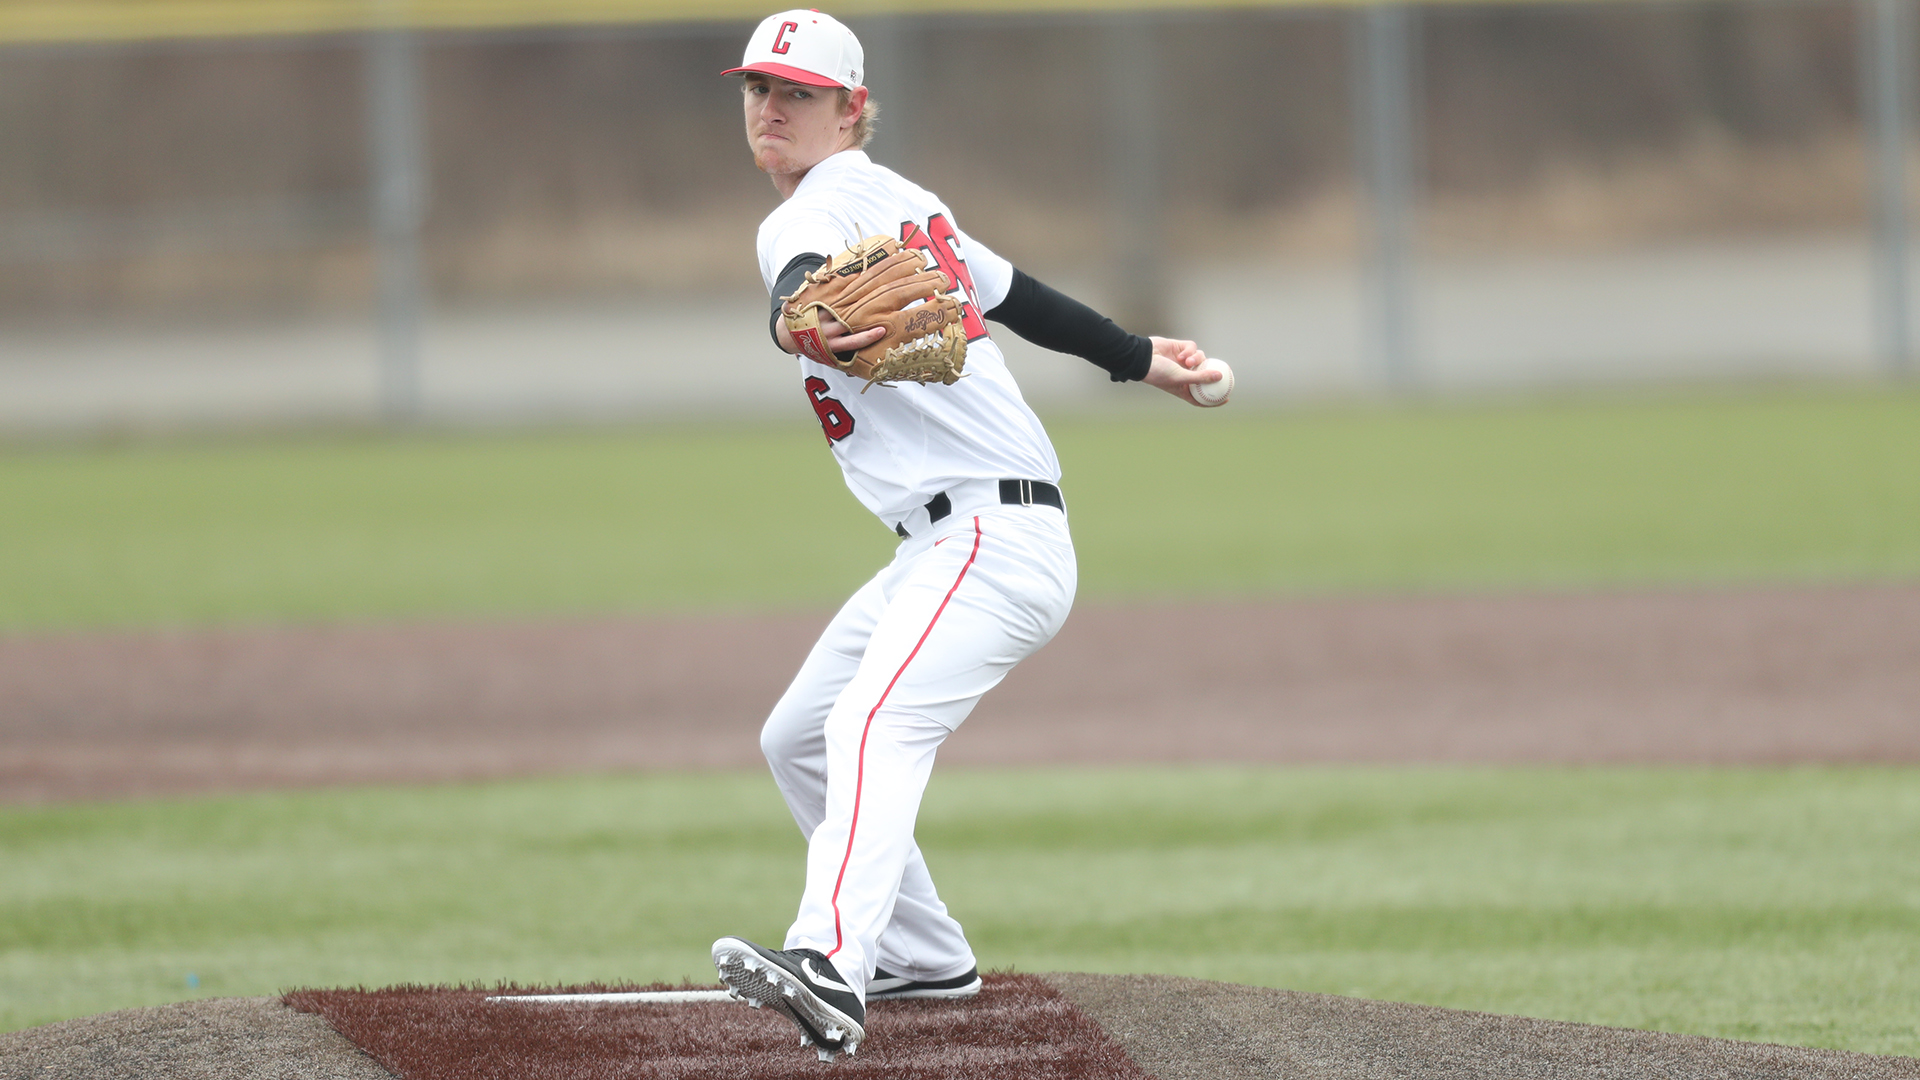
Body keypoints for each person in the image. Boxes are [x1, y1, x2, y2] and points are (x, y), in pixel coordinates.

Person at [709, 9, 1222, 1062]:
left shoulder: (823, 200)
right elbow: (1020, 298)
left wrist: (791, 313)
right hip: (950, 541)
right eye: (759, 89)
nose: (771, 109)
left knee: (869, 727)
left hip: (990, 534)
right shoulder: (907, 201)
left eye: (797, 94)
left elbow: (793, 284)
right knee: (796, 736)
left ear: (851, 110)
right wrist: (1139, 358)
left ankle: (831, 964)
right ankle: (924, 954)